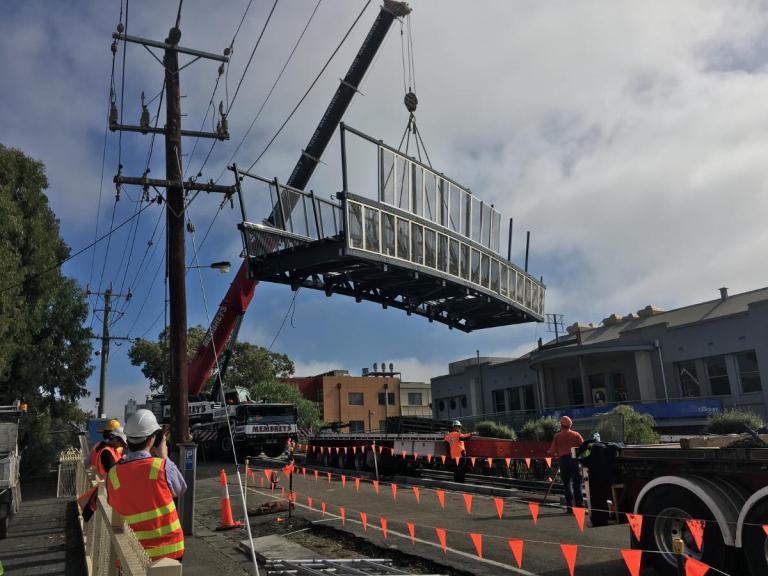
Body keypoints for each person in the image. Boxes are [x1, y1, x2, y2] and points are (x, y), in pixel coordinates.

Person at [106, 409, 186, 562]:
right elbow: (180, 489)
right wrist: (164, 456)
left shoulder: (112, 474)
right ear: (152, 440)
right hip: (169, 553)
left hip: (130, 554)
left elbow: (112, 502)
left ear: (127, 441)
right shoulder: (162, 467)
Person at [548, 415, 585, 512]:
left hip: (563, 461)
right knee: (577, 483)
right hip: (574, 460)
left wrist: (556, 454)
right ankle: (580, 505)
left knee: (567, 484)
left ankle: (570, 507)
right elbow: (584, 446)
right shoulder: (576, 434)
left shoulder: (557, 436)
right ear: (570, 425)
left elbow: (552, 451)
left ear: (561, 425)